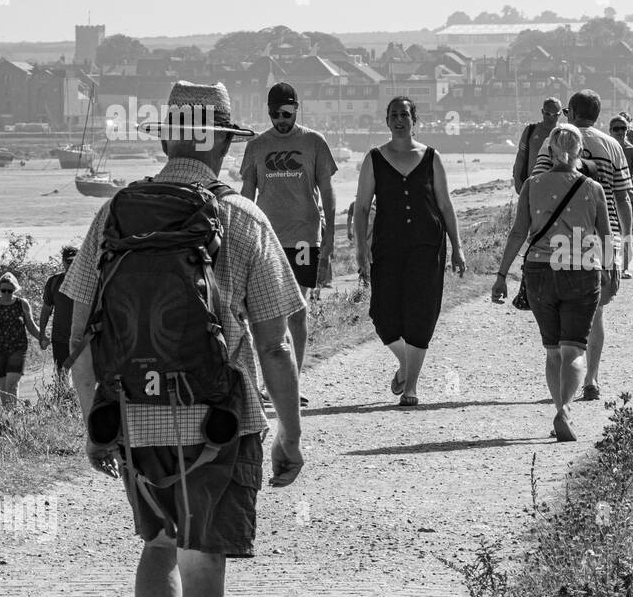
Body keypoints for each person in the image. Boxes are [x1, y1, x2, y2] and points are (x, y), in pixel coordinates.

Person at [63, 80, 306, 597]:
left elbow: (77, 337)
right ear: (222, 141)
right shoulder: (243, 217)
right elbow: (276, 344)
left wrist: (97, 421)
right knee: (204, 568)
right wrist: (290, 435)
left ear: (169, 135)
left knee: (159, 544)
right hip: (221, 425)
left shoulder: (116, 212)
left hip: (137, 418)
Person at [491, 124, 611, 441]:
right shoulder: (592, 188)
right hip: (582, 271)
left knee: (553, 350)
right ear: (579, 151)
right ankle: (564, 412)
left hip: (540, 272)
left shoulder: (532, 185)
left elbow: (518, 233)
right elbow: (606, 235)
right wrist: (610, 271)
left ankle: (561, 409)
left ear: (549, 152)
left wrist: (502, 275)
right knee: (574, 350)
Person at [354, 96, 466, 407]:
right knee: (383, 316)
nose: (400, 119)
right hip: (387, 247)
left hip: (427, 246)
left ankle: (411, 387)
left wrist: (458, 247)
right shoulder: (373, 159)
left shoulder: (432, 157)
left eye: (405, 114)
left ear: (414, 119)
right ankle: (406, 364)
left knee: (420, 314)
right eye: (394, 114)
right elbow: (362, 208)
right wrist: (361, 249)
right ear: (386, 120)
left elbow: (445, 205)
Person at [531, 90, 632, 401]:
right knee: (595, 312)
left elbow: (537, 186)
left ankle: (564, 378)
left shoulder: (556, 141)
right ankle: (591, 378)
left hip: (556, 242)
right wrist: (625, 240)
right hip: (601, 237)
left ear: (571, 111)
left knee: (561, 316)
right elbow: (623, 196)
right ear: (598, 114)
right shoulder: (612, 144)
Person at [240, 82, 337, 405]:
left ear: (297, 109)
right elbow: (247, 195)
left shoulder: (314, 143)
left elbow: (327, 192)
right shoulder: (256, 146)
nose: (279, 119)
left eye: (285, 113)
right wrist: (241, 233)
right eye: (273, 114)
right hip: (266, 240)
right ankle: (271, 383)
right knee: (266, 316)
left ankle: (293, 383)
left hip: (305, 237)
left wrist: (330, 239)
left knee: (298, 312)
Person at [0, 271, 43, 409]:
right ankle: (8, 418)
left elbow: (31, 326)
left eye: (10, 290)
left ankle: (13, 414)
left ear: (15, 289)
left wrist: (42, 338)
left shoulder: (22, 304)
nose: (7, 293)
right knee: (3, 387)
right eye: (3, 290)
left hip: (18, 348)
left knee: (11, 384)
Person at [608, 116, 633, 278]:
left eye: (623, 128)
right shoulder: (606, 150)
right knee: (609, 232)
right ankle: (611, 265)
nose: (620, 131)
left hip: (628, 196)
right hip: (609, 197)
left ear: (627, 130)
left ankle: (625, 268)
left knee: (626, 232)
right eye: (616, 129)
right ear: (610, 131)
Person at [39, 245, 78, 378]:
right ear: (62, 261)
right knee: (61, 375)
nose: (71, 264)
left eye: (75, 261)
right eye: (68, 261)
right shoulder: (54, 281)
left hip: (82, 338)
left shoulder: (86, 281)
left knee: (83, 376)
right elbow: (46, 309)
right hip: (60, 337)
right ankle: (65, 398)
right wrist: (42, 333)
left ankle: (78, 399)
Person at [513, 97, 562, 192]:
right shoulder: (530, 131)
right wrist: (518, 183)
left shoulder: (563, 133)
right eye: (548, 114)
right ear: (542, 112)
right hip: (531, 186)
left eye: (555, 115)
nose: (551, 118)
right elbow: (520, 157)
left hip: (556, 187)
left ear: (560, 114)